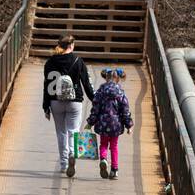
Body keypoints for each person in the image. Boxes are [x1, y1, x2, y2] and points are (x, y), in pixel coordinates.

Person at [42, 35, 95, 178]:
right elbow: (87, 84)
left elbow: (46, 85)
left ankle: (64, 164)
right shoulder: (78, 61)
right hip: (75, 101)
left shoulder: (50, 62)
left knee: (61, 132)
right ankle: (72, 153)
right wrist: (94, 100)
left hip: (55, 101)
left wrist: (45, 106)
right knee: (73, 131)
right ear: (71, 45)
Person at [88, 68, 133, 180]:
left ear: (106, 78)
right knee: (114, 146)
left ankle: (103, 159)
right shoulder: (120, 93)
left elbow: (95, 108)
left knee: (103, 144)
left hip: (103, 123)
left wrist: (90, 122)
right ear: (117, 79)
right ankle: (114, 170)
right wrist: (128, 125)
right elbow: (125, 110)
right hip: (116, 124)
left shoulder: (100, 91)